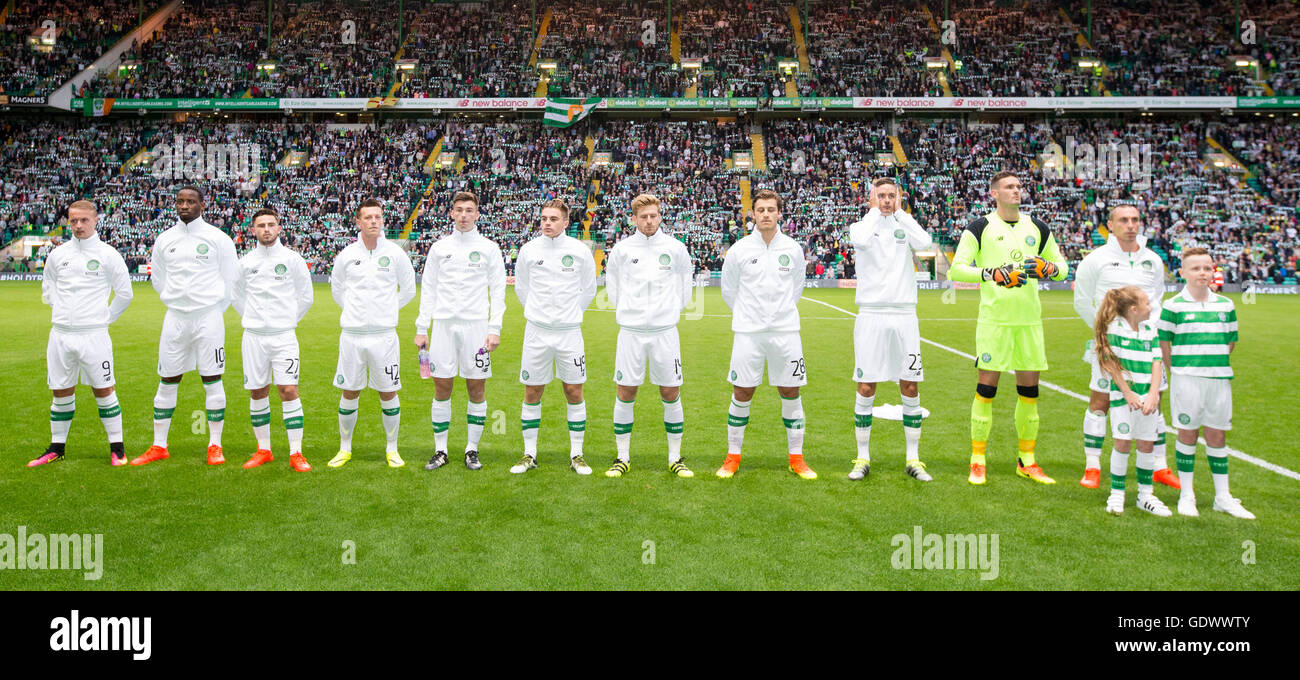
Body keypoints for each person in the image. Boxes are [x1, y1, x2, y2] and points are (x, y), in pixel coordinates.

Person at [949, 170, 1069, 485]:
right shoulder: (980, 227)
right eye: (1009, 187)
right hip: (995, 322)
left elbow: (1062, 269)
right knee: (986, 391)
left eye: (1018, 186)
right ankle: (978, 459)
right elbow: (957, 270)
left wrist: (1049, 268)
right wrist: (993, 274)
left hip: (1029, 322)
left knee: (1029, 394)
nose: (1016, 191)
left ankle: (1026, 460)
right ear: (995, 194)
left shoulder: (1038, 227)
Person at [1072, 204, 1179, 490]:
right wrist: (1105, 332)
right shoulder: (1096, 259)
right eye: (1123, 220)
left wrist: (1149, 333)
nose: (1130, 225)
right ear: (1110, 224)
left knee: (1154, 402)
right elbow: (1082, 301)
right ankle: (1092, 466)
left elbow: (1156, 299)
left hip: (1146, 345)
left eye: (1135, 220)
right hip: (1110, 343)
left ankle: (1159, 466)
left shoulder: (1153, 260)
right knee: (1100, 401)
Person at [133, 186, 238, 466]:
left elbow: (231, 281)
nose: (184, 206)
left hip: (208, 318)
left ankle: (214, 445)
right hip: (175, 318)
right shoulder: (165, 239)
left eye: (190, 201)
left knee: (212, 379)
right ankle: (159, 446)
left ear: (202, 204)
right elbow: (159, 279)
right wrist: (178, 300)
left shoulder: (219, 239)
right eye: (180, 201)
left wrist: (212, 309)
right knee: (167, 379)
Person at [715, 189, 815, 480]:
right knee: (742, 392)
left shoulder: (793, 249)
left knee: (791, 391)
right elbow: (729, 291)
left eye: (772, 209)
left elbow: (797, 287)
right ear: (754, 214)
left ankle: (797, 458)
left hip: (786, 332)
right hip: (749, 333)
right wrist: (751, 316)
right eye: (761, 210)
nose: (767, 214)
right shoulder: (739, 250)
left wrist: (778, 314)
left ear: (780, 213)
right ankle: (733, 456)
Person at [30, 200, 133, 467]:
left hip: (94, 336)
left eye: (84, 220)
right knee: (60, 391)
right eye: (73, 221)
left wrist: (102, 319)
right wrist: (64, 313)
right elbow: (49, 287)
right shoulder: (58, 254)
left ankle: (118, 449)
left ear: (95, 220)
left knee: (104, 390)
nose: (78, 226)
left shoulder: (108, 254)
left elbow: (125, 294)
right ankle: (56, 448)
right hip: (61, 335)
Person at [844, 178, 933, 482]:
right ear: (871, 199)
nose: (885, 200)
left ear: (898, 197)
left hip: (905, 314)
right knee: (867, 386)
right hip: (871, 314)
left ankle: (914, 458)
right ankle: (862, 457)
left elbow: (924, 243)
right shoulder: (863, 226)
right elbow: (857, 239)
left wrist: (902, 213)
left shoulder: (903, 224)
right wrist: (874, 212)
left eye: (891, 195)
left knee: (910, 385)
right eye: (880, 195)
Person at [1158, 247, 1254, 519]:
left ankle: (1222, 497)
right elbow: (1165, 343)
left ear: (1213, 270)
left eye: (1207, 268)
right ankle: (1187, 494)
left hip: (1219, 379)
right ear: (1183, 273)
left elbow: (1230, 342)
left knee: (1217, 435)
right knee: (1187, 433)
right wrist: (1176, 370)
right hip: (1187, 379)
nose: (1202, 273)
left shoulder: (1226, 305)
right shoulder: (1173, 305)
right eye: (1196, 268)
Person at [413, 191, 506, 471]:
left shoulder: (489, 248)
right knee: (441, 386)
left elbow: (498, 290)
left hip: (477, 327)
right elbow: (427, 288)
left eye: (469, 210)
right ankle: (440, 450)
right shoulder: (440, 248)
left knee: (476, 387)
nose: (463, 215)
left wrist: (494, 328)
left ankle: (472, 449)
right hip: (442, 326)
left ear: (477, 214)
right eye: (459, 210)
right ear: (451, 213)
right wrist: (422, 327)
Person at [603, 193, 694, 478]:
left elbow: (684, 288)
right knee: (625, 391)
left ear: (660, 215)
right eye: (643, 216)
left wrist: (664, 314)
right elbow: (613, 287)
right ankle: (622, 457)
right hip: (630, 333)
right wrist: (633, 313)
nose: (649, 220)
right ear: (634, 219)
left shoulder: (676, 248)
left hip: (665, 333)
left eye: (653, 215)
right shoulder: (622, 249)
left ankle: (675, 457)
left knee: (670, 392)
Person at [509, 199, 597, 475]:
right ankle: (529, 453)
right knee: (532, 391)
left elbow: (588, 290)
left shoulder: (580, 251)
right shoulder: (528, 250)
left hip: (569, 333)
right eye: (544, 218)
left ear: (565, 222)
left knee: (574, 391)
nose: (547, 223)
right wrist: (541, 314)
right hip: (537, 332)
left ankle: (577, 454)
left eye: (553, 219)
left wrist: (567, 314)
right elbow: (522, 289)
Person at [328, 198, 416, 469]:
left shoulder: (396, 253)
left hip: (384, 335)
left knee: (388, 392)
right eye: (368, 217)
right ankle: (344, 449)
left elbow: (409, 290)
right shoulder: (346, 255)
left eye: (377, 217)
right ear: (358, 221)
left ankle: (392, 449)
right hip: (352, 335)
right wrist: (357, 313)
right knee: (349, 390)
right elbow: (337, 290)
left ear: (383, 219)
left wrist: (384, 310)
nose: (374, 222)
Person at [231, 207, 313, 472]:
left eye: (271, 224)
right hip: (253, 337)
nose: (266, 229)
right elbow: (236, 297)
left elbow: (306, 297)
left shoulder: (292, 259)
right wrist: (256, 320)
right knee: (258, 391)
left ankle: (296, 453)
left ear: (279, 228)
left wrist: (286, 321)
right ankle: (263, 449)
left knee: (288, 390)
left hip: (283, 337)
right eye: (261, 225)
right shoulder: (244, 262)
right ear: (253, 230)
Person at [1092, 286, 1171, 516]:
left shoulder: (1150, 329)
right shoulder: (1115, 330)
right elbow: (1111, 365)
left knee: (1147, 444)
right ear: (1134, 309)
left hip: (1148, 399)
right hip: (1123, 399)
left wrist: (1154, 394)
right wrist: (1127, 392)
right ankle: (1117, 493)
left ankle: (1145, 495)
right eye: (1147, 303)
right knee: (1123, 443)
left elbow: (1157, 362)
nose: (1151, 306)